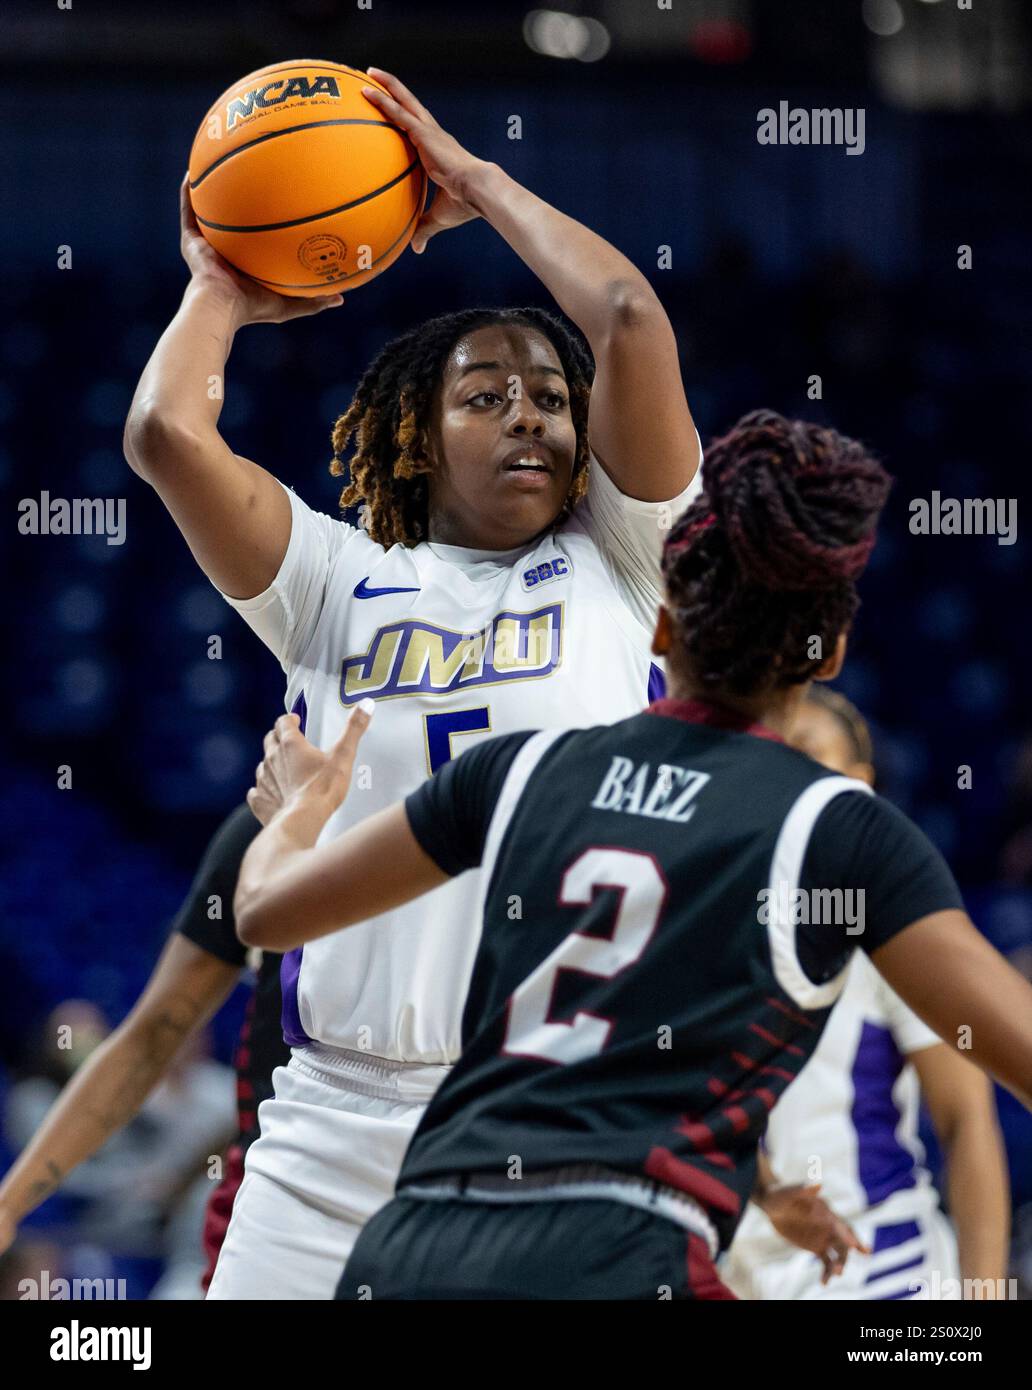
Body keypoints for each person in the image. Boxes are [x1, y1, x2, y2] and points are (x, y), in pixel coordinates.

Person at [123, 67, 703, 1298]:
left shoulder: (626, 561)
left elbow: (629, 320)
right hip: (333, 1117)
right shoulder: (332, 581)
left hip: (555, 1120)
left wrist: (479, 186)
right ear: (415, 432)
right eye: (484, 395)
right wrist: (221, 286)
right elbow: (168, 436)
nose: (530, 416)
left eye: (550, 397)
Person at [234, 409, 1032, 1301]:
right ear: (831, 651)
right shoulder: (836, 828)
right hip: (615, 1254)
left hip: (416, 1238)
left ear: (663, 629)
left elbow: (265, 910)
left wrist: (303, 811)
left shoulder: (522, 768)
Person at [722, 688, 1011, 1300]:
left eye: (807, 751)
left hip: (883, 1269)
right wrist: (767, 1187)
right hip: (736, 1272)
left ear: (859, 784)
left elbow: (965, 1117)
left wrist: (984, 1298)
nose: (785, 769)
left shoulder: (888, 922)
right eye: (769, 751)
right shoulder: (702, 917)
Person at [0, 805, 288, 1298]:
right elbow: (151, 1035)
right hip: (200, 1229)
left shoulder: (213, 1089)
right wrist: (10, 1205)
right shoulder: (254, 839)